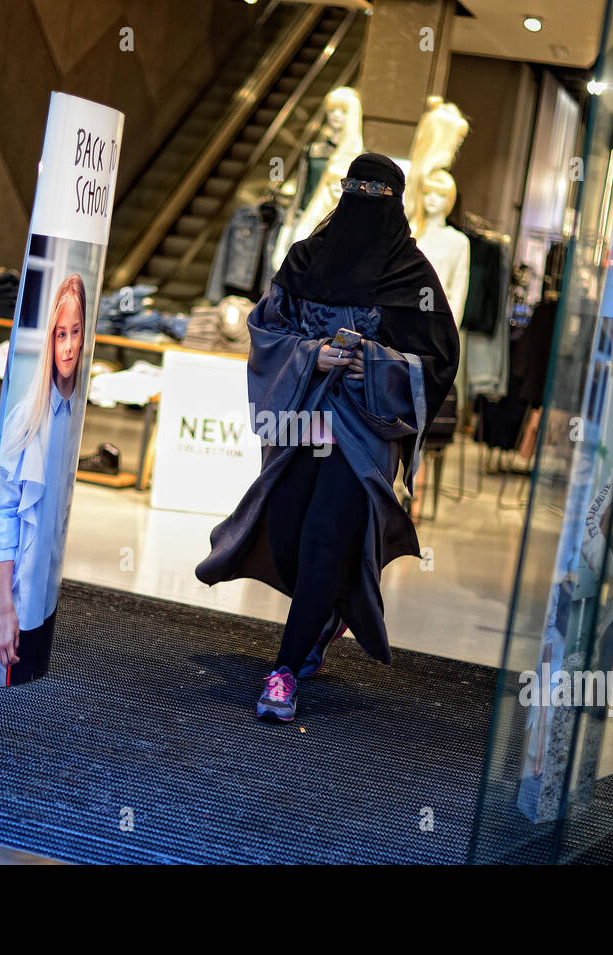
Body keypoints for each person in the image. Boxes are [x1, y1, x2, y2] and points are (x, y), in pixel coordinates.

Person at [196, 153, 460, 723]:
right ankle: (329, 606)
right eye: (355, 187)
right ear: (343, 192)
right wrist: (311, 354)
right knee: (287, 527)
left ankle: (285, 673)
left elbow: (439, 358)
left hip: (362, 429)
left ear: (395, 202)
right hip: (303, 422)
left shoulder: (411, 278)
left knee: (322, 536)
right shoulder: (304, 258)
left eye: (377, 191)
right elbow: (267, 328)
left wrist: (380, 366)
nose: (364, 199)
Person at [0, 273, 86, 684]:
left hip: (48, 601)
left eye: (75, 332)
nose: (67, 346)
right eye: (59, 334)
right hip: (19, 607)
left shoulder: (74, 411)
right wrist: (5, 611)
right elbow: (4, 515)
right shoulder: (26, 420)